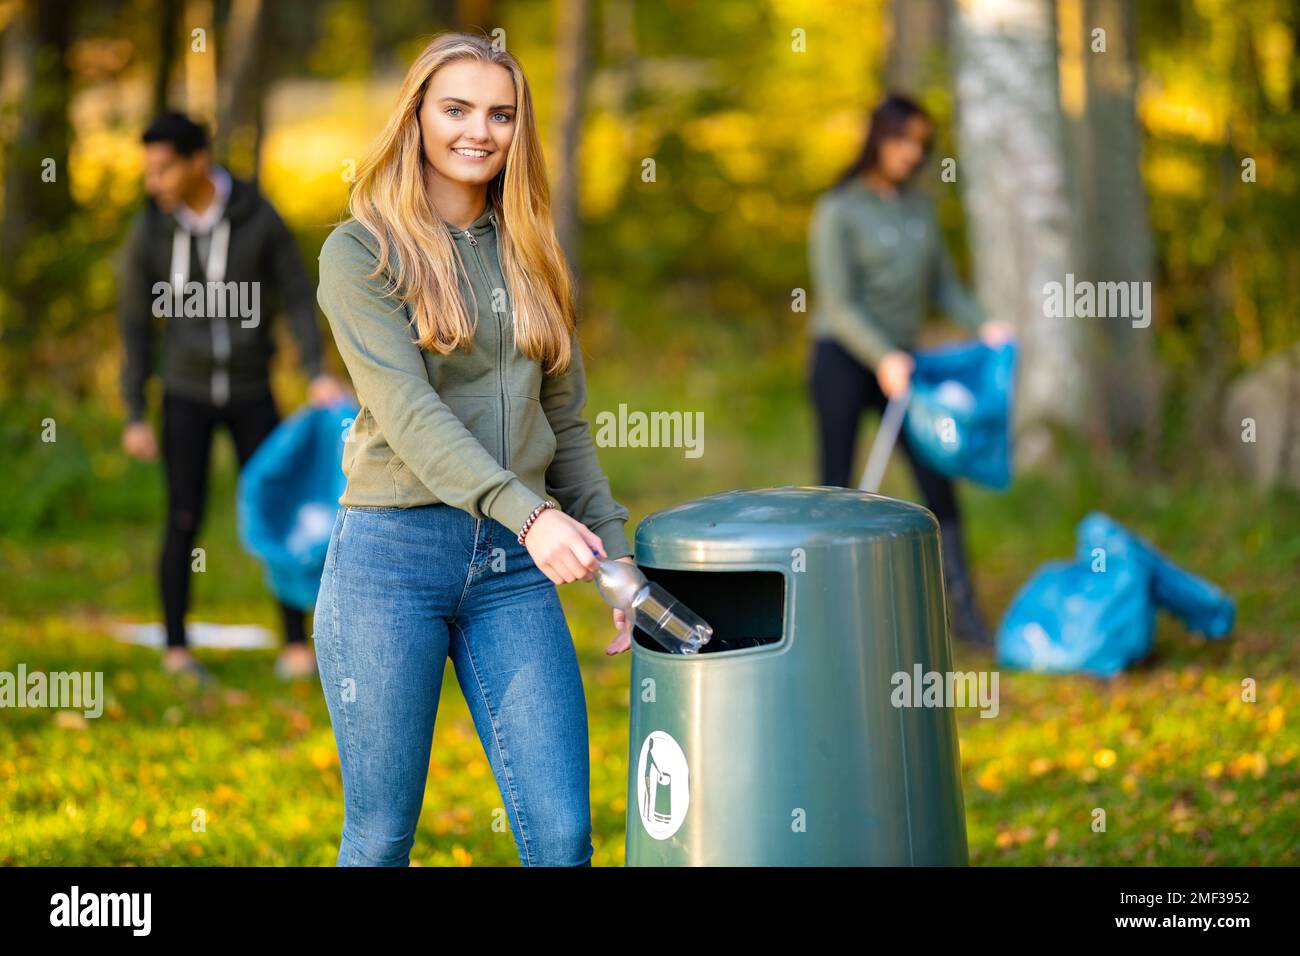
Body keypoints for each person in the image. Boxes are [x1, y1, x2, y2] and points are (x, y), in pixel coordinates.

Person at [313, 32, 637, 867]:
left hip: (511, 572)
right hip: (390, 559)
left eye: (500, 114)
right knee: (381, 835)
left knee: (563, 836)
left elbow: (563, 421)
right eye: (456, 108)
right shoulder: (359, 254)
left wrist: (618, 558)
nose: (479, 131)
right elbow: (411, 413)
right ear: (417, 114)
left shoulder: (533, 252)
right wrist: (531, 517)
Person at [116, 111, 348, 683]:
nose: (155, 184)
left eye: (164, 170)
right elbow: (134, 325)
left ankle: (296, 643)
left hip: (251, 392)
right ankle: (176, 647)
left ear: (198, 162)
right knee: (183, 517)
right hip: (184, 395)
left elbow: (298, 296)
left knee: (280, 507)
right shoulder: (150, 229)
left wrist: (317, 371)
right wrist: (133, 412)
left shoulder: (256, 217)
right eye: (149, 172)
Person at [806, 93, 1014, 648]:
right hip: (845, 359)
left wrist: (984, 324)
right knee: (837, 487)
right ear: (879, 138)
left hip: (907, 367)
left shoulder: (920, 209)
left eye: (922, 144)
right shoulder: (838, 210)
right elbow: (840, 304)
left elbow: (943, 283)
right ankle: (830, 619)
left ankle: (963, 612)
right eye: (903, 141)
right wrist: (883, 357)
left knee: (936, 480)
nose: (912, 153)